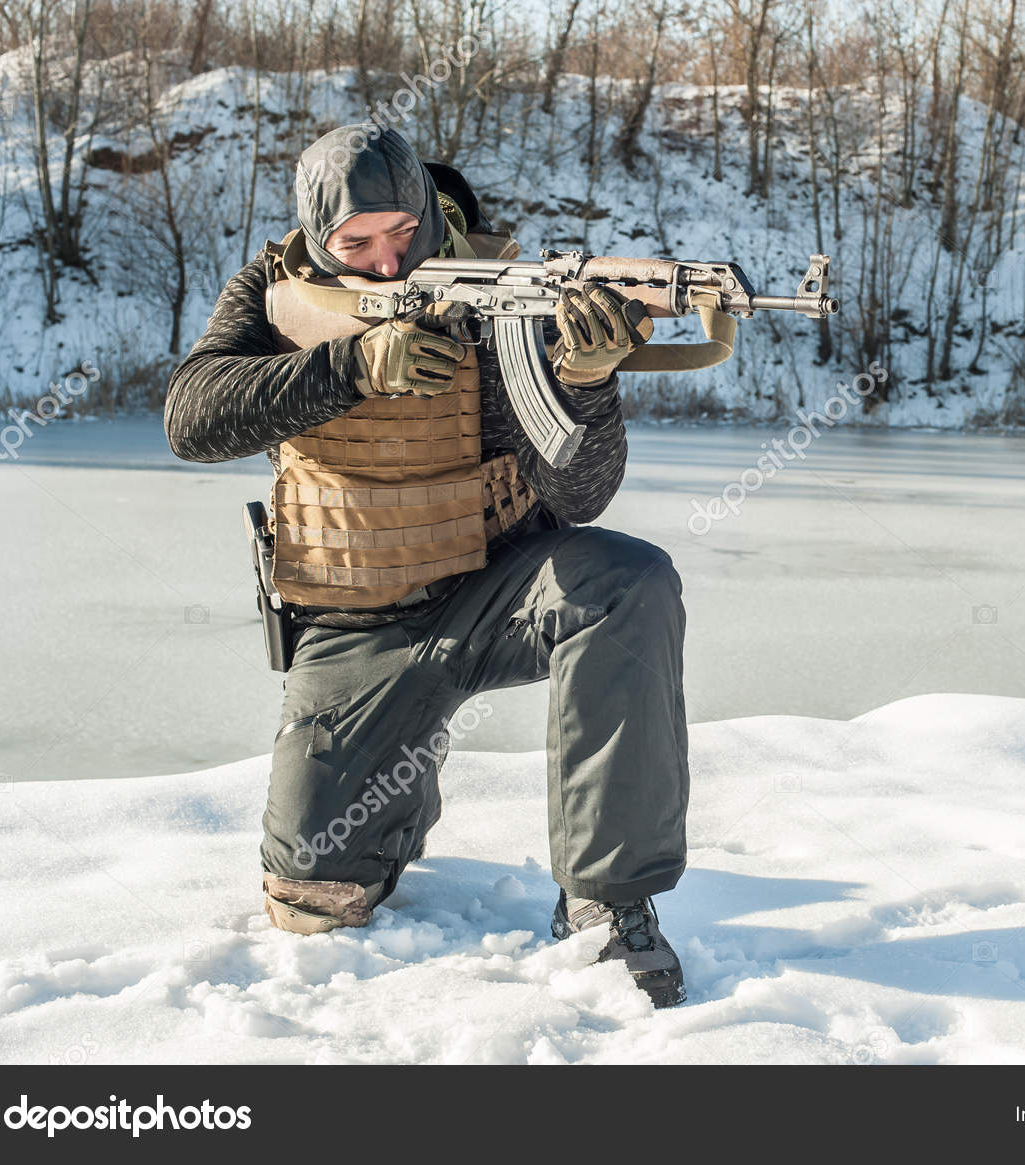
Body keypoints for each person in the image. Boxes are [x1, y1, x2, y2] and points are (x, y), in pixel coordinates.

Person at [163, 125, 689, 1007]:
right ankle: (396, 774)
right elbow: (191, 417)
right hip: (354, 623)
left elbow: (583, 493)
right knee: (314, 895)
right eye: (355, 244)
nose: (384, 262)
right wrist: (353, 364)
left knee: (625, 581)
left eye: (402, 234)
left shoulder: (503, 293)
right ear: (317, 240)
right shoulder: (275, 286)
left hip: (497, 592)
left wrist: (588, 384)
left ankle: (609, 901)